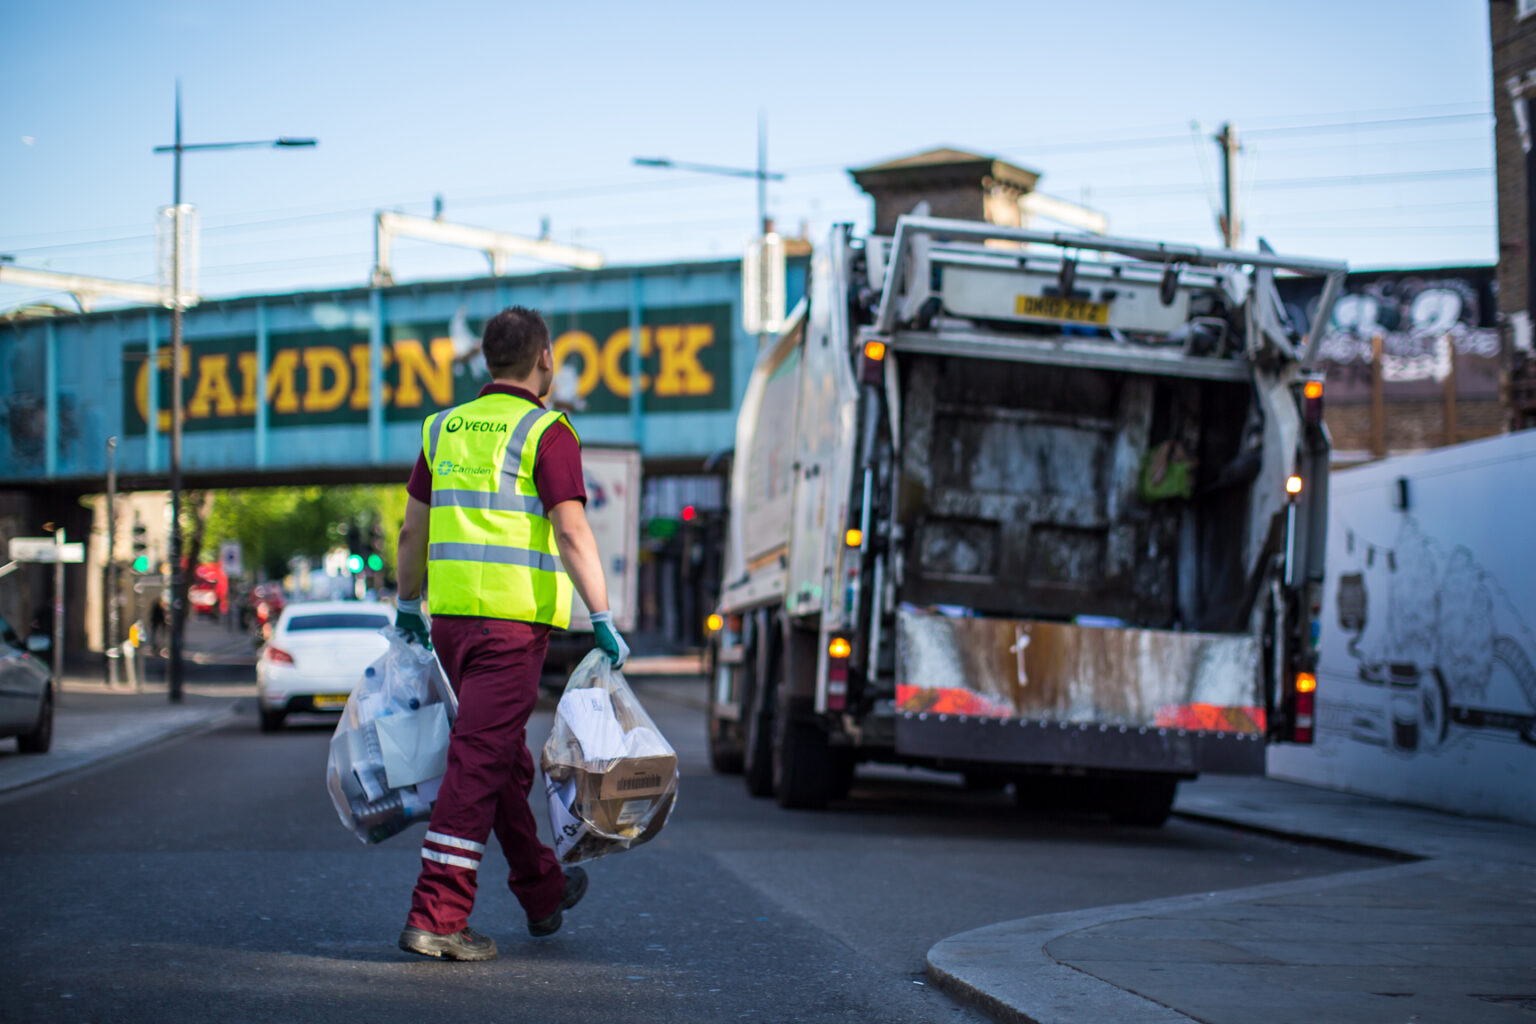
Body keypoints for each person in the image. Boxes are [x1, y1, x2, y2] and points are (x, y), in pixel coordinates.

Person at [393, 306, 629, 962]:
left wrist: (408, 603)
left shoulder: (443, 429)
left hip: (452, 627)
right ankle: (437, 913)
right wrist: (602, 616)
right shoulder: (546, 431)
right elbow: (572, 529)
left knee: (498, 760)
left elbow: (413, 528)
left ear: (486, 360)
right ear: (544, 358)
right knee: (477, 764)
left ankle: (541, 889)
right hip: (509, 628)